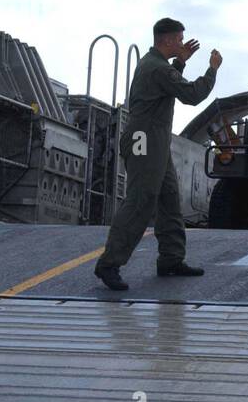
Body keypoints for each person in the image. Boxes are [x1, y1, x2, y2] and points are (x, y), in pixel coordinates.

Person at [94, 17, 222, 291]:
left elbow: (169, 85)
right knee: (141, 199)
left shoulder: (157, 65)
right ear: (165, 40)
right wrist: (212, 70)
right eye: (178, 39)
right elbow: (192, 94)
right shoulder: (157, 68)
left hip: (153, 140)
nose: (181, 43)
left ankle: (171, 259)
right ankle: (109, 263)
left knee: (168, 198)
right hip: (145, 141)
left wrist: (182, 61)